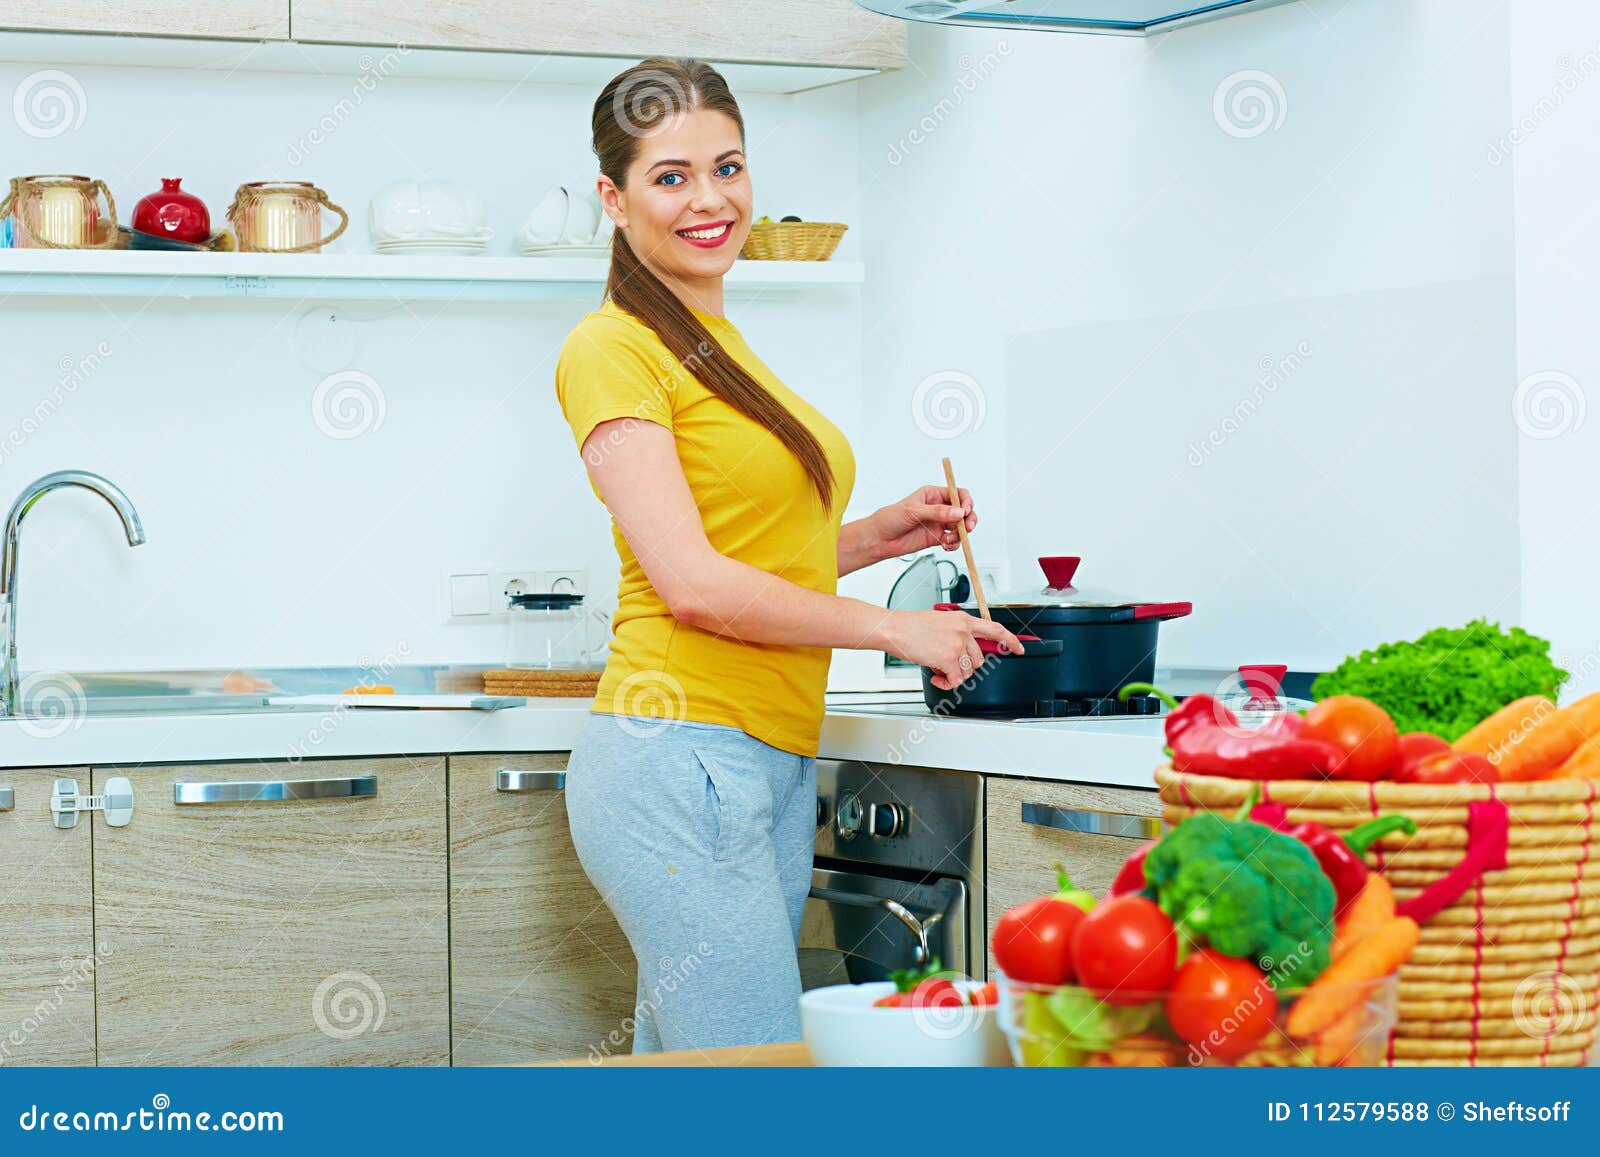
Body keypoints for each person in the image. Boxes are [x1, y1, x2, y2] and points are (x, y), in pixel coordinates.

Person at [555, 56, 1021, 1054]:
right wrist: (896, 627)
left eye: (727, 167)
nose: (710, 199)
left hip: (759, 756)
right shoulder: (611, 347)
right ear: (613, 196)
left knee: (700, 1070)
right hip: (677, 753)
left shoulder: (716, 339)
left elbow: (747, 550)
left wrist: (874, 535)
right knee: (758, 1075)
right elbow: (689, 582)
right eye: (670, 176)